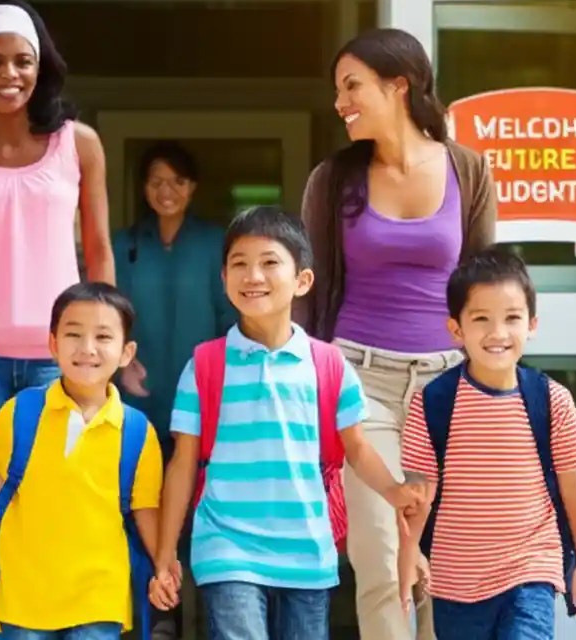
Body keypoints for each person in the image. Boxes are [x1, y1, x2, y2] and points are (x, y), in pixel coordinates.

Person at [297, 27, 497, 640]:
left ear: (398, 85)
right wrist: (306, 379)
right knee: (382, 557)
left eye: (351, 86)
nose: (340, 103)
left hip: (448, 385)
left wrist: (493, 382)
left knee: (451, 559)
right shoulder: (333, 180)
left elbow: (485, 287)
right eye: (338, 90)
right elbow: (308, 290)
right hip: (361, 380)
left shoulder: (468, 170)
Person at [0, 0, 116, 640]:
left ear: (42, 66)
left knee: (55, 509)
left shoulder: (77, 144)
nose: (9, 73)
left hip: (54, 360)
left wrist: (106, 346)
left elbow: (98, 251)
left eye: (22, 60)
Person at [150, 207, 423, 640]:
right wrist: (166, 555)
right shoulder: (204, 365)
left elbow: (357, 449)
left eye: (269, 262)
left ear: (302, 280)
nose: (253, 275)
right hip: (226, 548)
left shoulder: (329, 364)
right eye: (239, 263)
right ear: (223, 278)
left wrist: (394, 492)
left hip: (308, 554)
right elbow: (183, 464)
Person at [398, 248, 576, 638]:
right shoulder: (435, 402)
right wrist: (409, 555)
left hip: (531, 571)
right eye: (481, 319)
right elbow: (419, 492)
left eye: (512, 318)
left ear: (532, 324)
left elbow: (575, 486)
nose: (498, 333)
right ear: (456, 330)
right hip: (456, 582)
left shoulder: (551, 400)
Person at [0, 282, 165, 640]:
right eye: (73, 334)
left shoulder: (137, 431)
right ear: (52, 344)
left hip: (100, 596)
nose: (87, 348)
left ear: (127, 352)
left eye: (103, 337)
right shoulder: (21, 411)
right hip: (25, 595)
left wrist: (163, 566)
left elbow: (145, 511)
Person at [112, 141, 232, 639]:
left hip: (201, 404)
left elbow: (229, 319)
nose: (167, 191)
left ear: (193, 187)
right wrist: (118, 369)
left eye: (177, 181)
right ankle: (155, 619)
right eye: (156, 181)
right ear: (143, 187)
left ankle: (201, 619)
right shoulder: (123, 245)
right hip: (136, 404)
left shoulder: (214, 244)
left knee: (195, 515)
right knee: (139, 509)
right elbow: (105, 318)